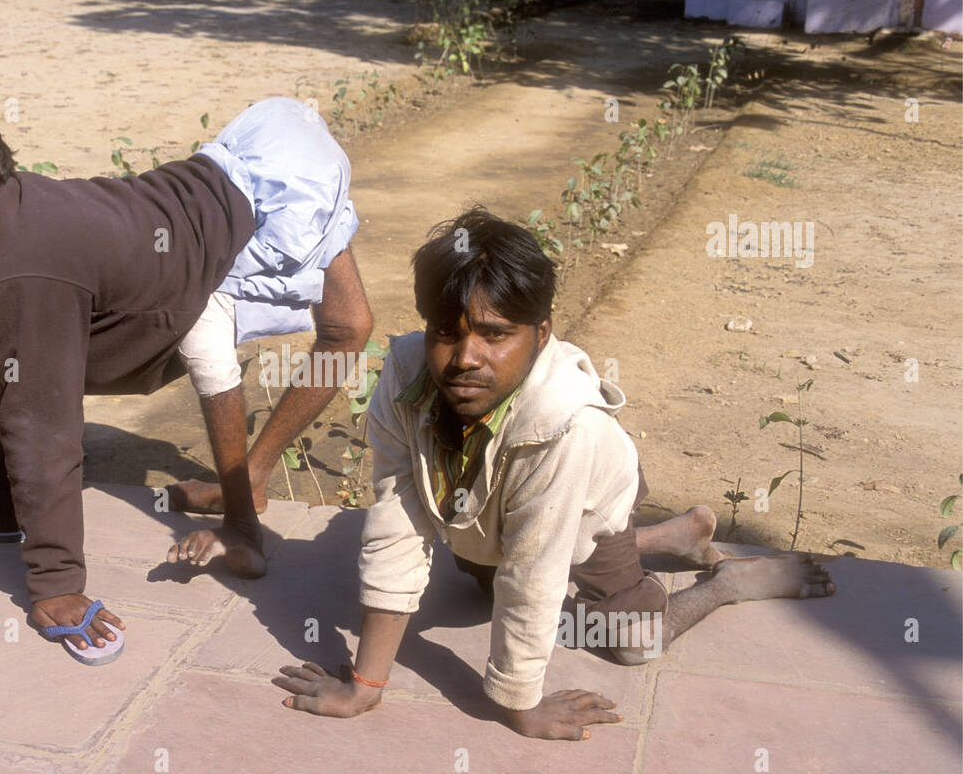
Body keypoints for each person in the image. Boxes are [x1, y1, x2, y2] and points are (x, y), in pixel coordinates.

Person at [272, 207, 835, 740]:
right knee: (489, 581)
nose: (466, 358)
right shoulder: (403, 376)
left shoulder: (567, 427)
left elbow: (535, 573)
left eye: (495, 334)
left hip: (590, 499)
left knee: (631, 640)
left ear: (541, 334)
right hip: (499, 507)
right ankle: (680, 535)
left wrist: (520, 702)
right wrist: (365, 686)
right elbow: (398, 521)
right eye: (447, 333)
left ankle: (731, 582)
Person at [0, 97, 371, 665]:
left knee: (345, 326)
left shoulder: (22, 266)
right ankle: (247, 489)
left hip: (282, 175)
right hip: (208, 183)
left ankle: (243, 517)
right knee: (205, 334)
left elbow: (41, 424)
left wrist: (56, 583)